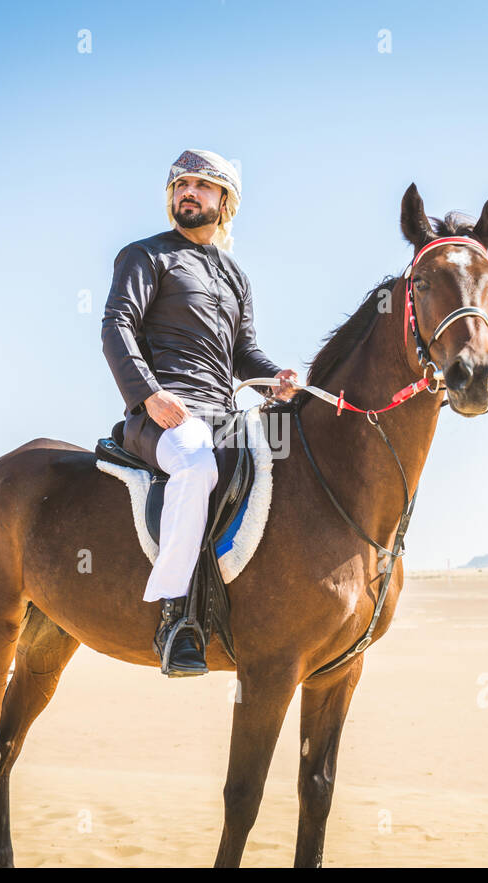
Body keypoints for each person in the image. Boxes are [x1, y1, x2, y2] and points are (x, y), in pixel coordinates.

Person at [101, 149, 299, 677]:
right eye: (181, 184)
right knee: (195, 465)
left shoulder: (235, 275)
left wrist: (275, 379)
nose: (188, 191)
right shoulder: (144, 256)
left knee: (293, 458)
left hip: (226, 415)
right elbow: (116, 326)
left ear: (225, 201)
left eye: (202, 185)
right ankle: (176, 617)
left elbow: (244, 357)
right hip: (161, 416)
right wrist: (148, 395)